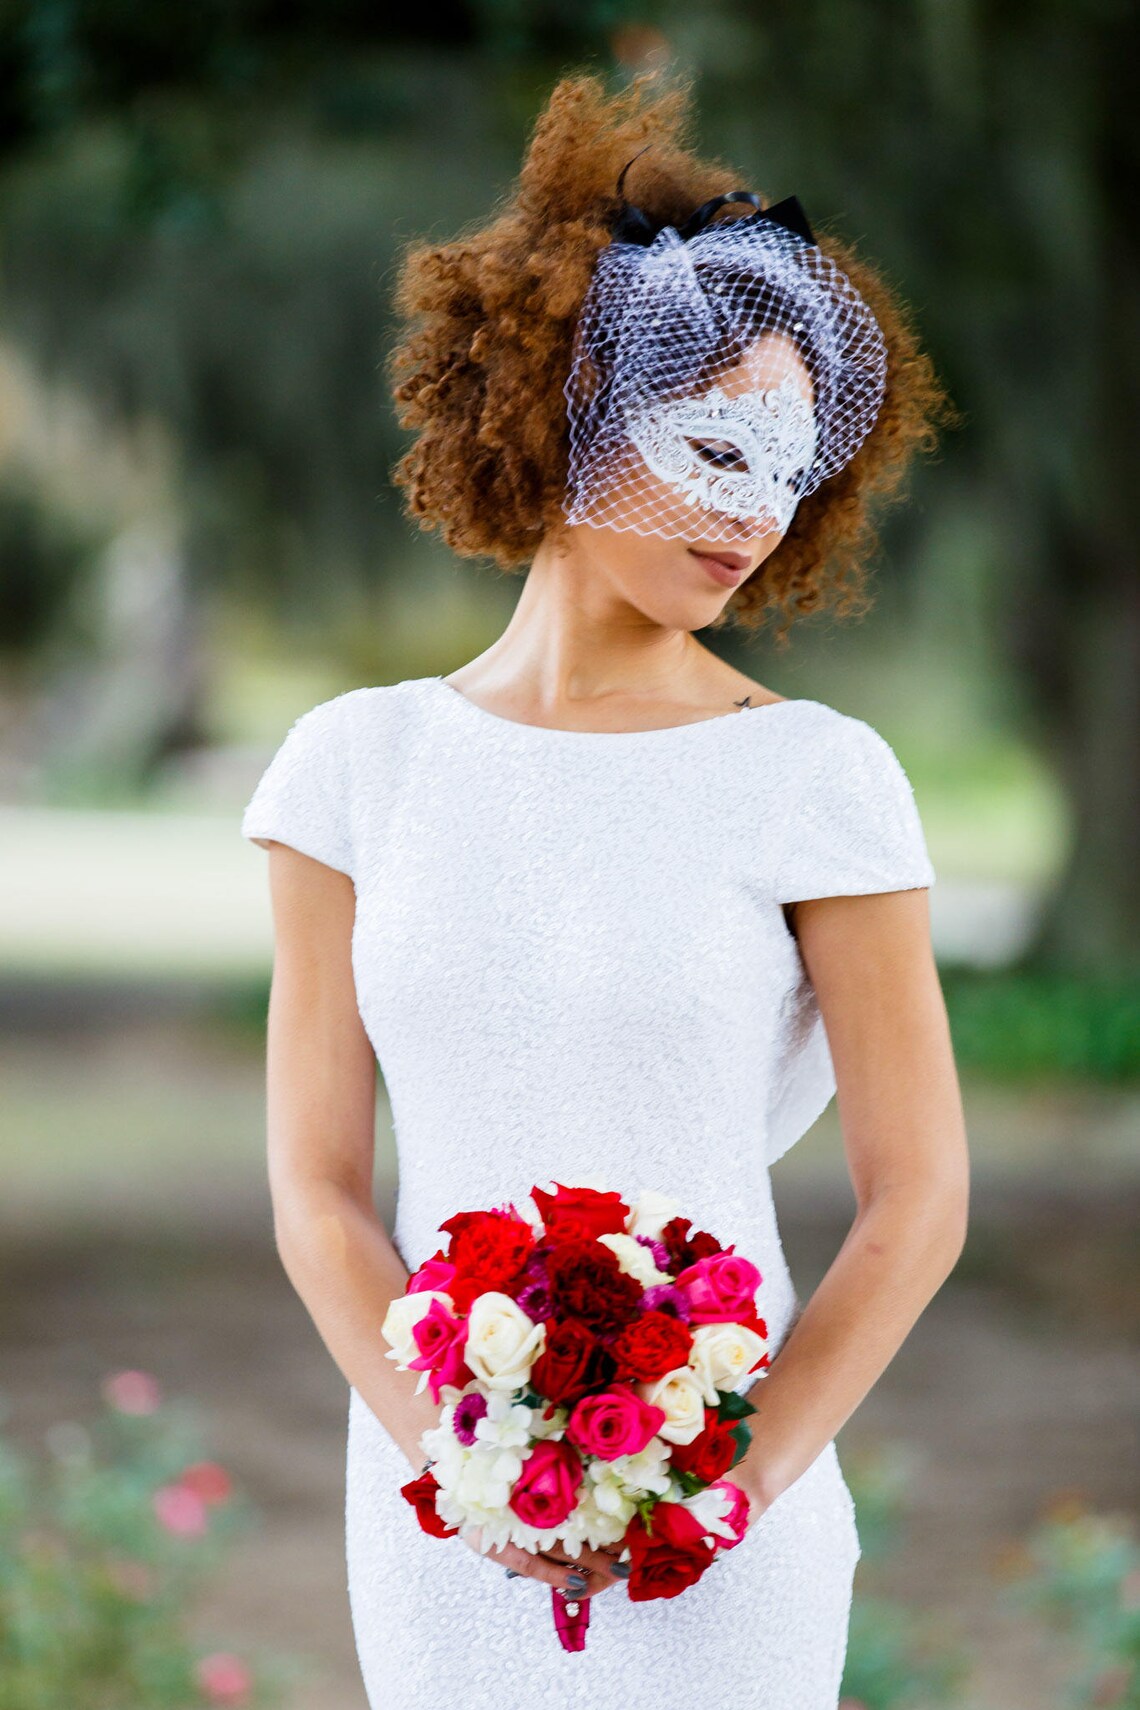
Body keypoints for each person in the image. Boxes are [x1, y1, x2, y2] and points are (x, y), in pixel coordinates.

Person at [240, 69, 969, 1710]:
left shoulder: (819, 779)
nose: (755, 505)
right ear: (569, 400)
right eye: (715, 441)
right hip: (437, 1522)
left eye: (794, 458)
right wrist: (463, 1467)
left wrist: (726, 1485)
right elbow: (319, 1194)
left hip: (733, 1522)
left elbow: (918, 1199)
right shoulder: (352, 772)